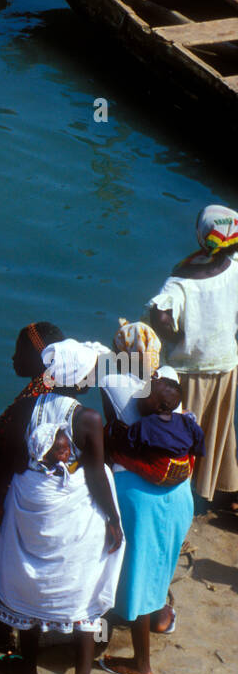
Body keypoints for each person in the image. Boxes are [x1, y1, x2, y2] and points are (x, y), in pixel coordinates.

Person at [0, 339, 125, 674]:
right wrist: (113, 520)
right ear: (79, 379)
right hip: (73, 510)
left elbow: (12, 459)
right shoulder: (88, 419)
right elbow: (95, 475)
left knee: (34, 576)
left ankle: (27, 665)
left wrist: (0, 502)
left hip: (30, 502)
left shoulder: (26, 407)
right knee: (82, 585)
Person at [98, 360, 198, 674]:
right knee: (161, 561)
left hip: (141, 503)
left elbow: (112, 448)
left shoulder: (130, 419)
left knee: (139, 575)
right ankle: (160, 616)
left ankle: (141, 664)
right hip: (180, 499)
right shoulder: (184, 422)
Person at [147, 204, 238, 504]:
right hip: (227, 363)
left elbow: (159, 316)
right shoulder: (235, 267)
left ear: (201, 237)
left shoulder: (181, 281)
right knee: (217, 427)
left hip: (190, 369)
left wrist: (177, 338)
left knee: (184, 432)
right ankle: (218, 489)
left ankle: (181, 493)